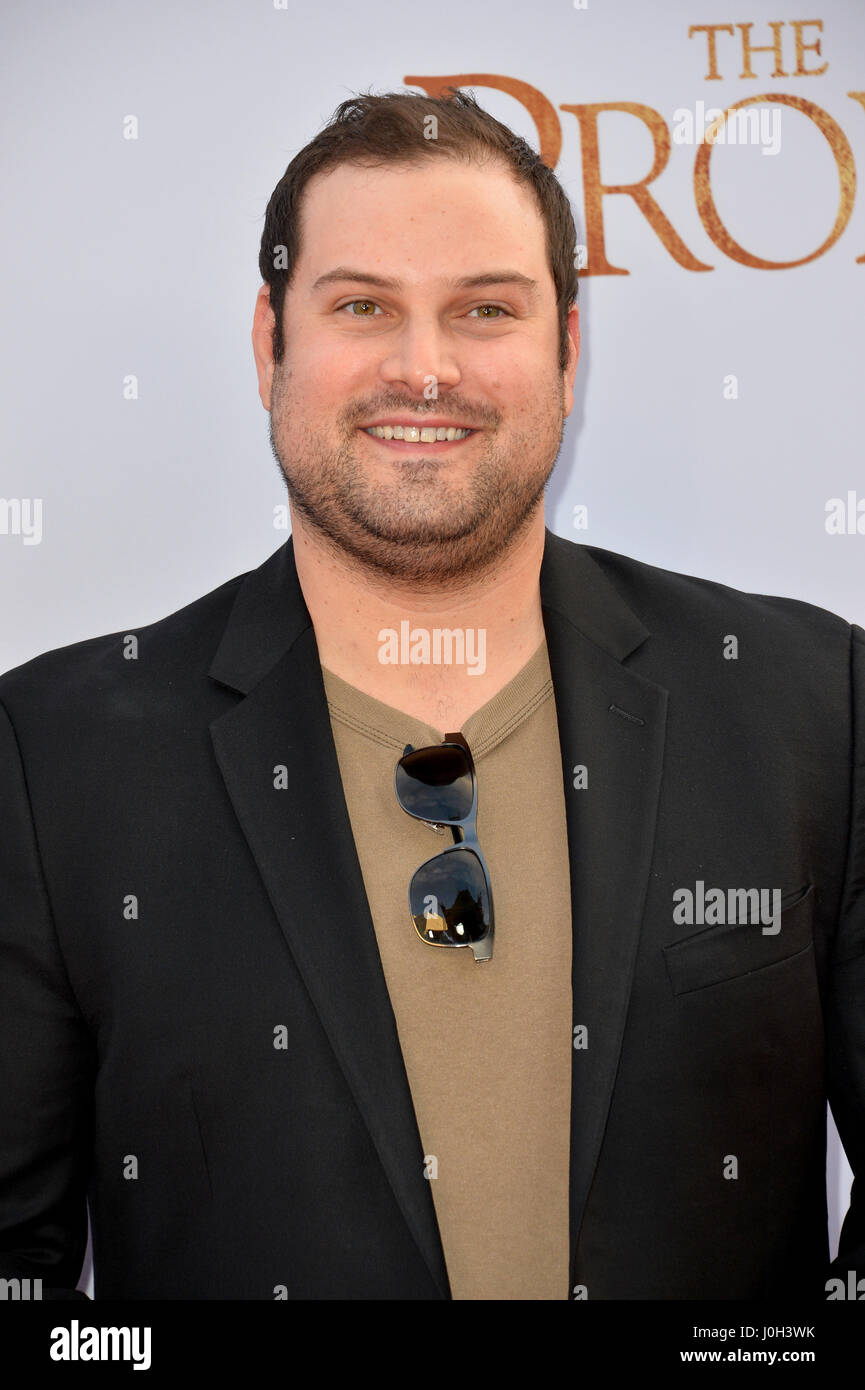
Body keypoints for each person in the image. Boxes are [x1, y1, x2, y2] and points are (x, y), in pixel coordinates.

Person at [0, 87, 862, 1302]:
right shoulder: (51, 759)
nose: (423, 368)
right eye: (362, 306)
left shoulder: (809, 706)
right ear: (270, 344)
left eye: (484, 310)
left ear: (567, 351)